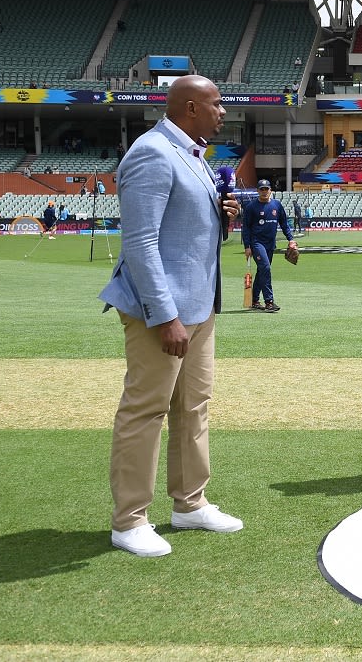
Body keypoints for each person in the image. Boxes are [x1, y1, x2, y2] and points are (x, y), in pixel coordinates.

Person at [99, 75, 243, 558]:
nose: (223, 112)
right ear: (189, 107)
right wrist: (165, 317)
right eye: (216, 104)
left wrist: (221, 216)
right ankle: (130, 520)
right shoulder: (152, 153)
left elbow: (183, 234)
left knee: (193, 407)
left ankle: (189, 504)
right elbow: (139, 244)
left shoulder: (194, 153)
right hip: (160, 312)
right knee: (146, 410)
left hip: (198, 306)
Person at [241, 180, 296, 312]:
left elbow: (284, 224)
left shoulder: (277, 205)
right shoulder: (251, 207)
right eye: (261, 189)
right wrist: (247, 247)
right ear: (258, 191)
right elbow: (246, 228)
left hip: (270, 244)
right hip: (257, 243)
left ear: (270, 190)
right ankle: (269, 302)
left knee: (262, 271)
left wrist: (291, 240)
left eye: (266, 189)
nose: (264, 192)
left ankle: (254, 300)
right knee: (265, 267)